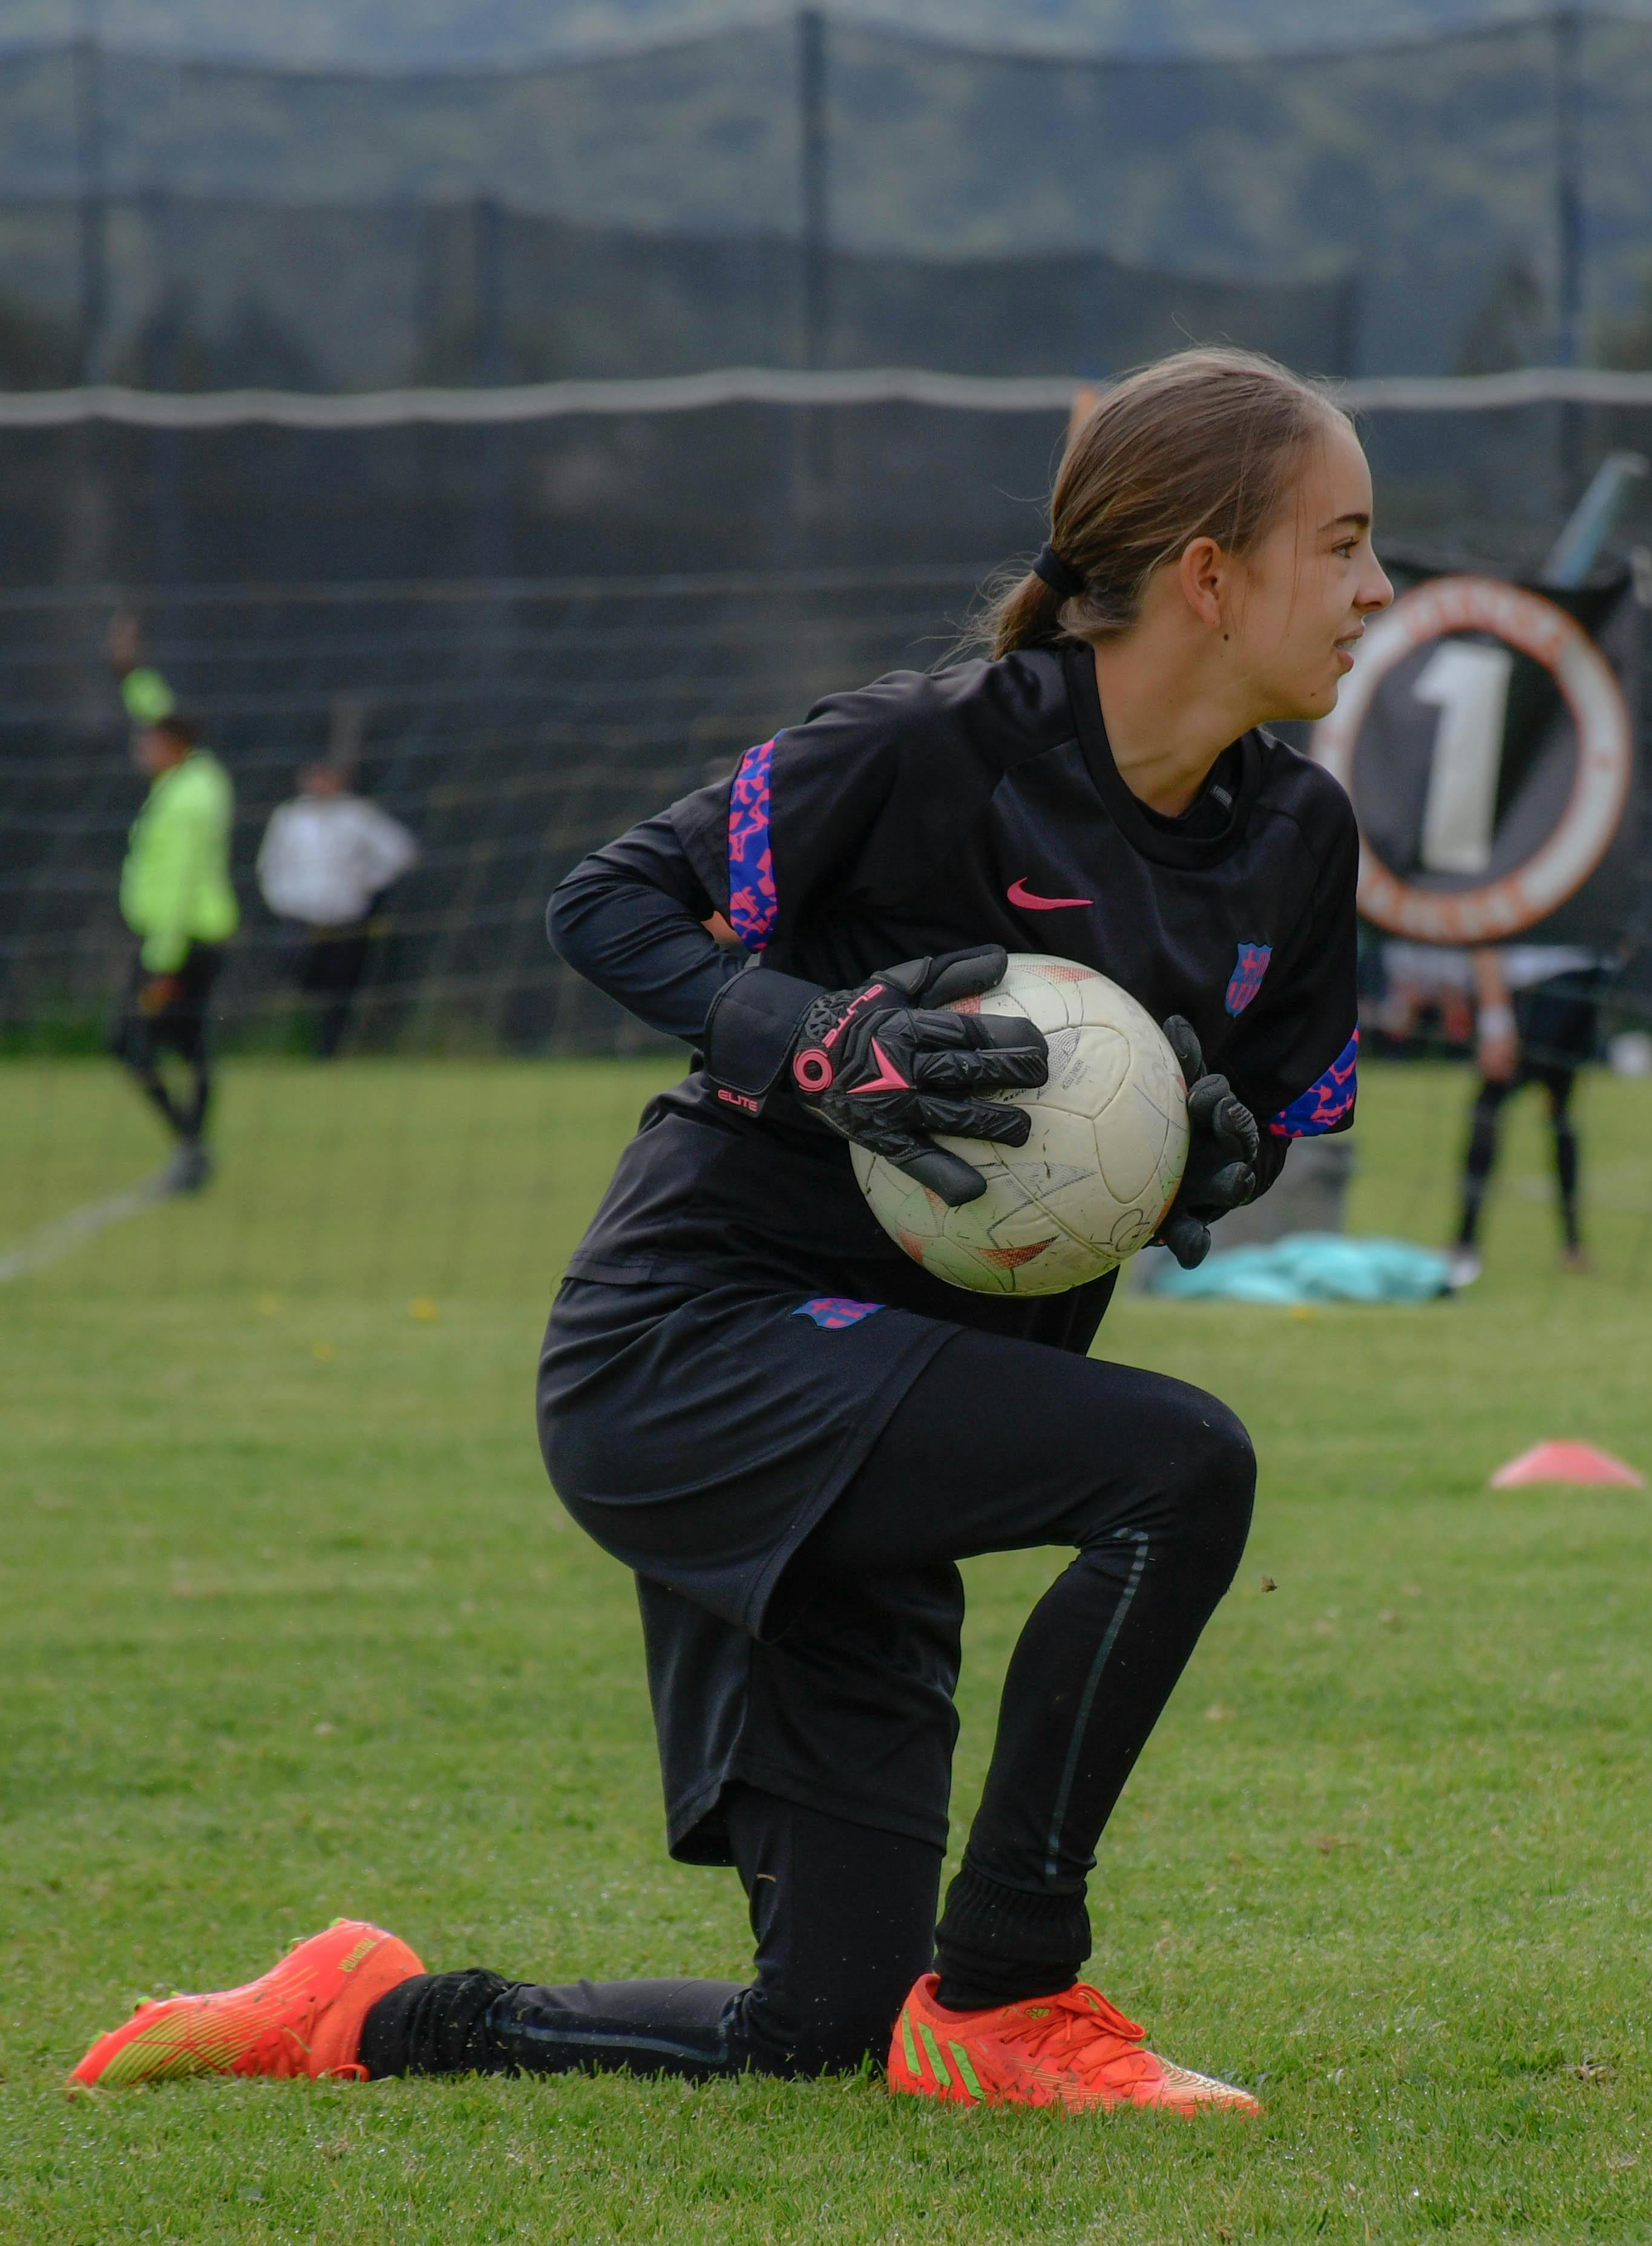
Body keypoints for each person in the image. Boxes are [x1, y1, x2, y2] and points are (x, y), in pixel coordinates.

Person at [71, 347, 1387, 2113]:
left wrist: (1195, 1157)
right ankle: (1006, 1993)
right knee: (1181, 1470)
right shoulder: (927, 753)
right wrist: (819, 1042)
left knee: (817, 2030)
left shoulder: (1295, 841)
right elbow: (604, 902)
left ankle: (366, 2009)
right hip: (692, 1342)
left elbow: (1236, 1130)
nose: (1383, 588)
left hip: (897, 1393)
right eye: (1348, 541)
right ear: (1209, 576)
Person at [109, 708, 238, 1193]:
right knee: (187, 1044)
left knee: (128, 1040)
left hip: (179, 945)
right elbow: (161, 707)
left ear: (174, 747)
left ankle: (191, 1147)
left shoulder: (186, 802)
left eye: (149, 743)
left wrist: (162, 964)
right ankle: (192, 1148)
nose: (140, 750)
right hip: (187, 941)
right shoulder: (203, 776)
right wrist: (130, 672)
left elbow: (180, 886)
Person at [1448, 942, 1613, 1286]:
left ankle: (1465, 1245)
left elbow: (1487, 936)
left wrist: (1496, 1024)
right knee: (1557, 1113)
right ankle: (1572, 1246)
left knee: (1495, 1107)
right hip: (1577, 985)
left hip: (1544, 990)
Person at [256, 764, 419, 1058]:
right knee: (300, 973)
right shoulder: (289, 817)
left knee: (340, 990)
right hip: (300, 917)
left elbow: (401, 851)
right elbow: (270, 864)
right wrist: (280, 899)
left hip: (346, 918)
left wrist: (369, 880)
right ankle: (308, 1037)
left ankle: (328, 1052)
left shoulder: (358, 815)